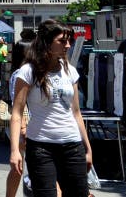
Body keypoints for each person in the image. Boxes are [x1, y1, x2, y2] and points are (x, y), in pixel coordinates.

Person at [10, 20, 92, 197]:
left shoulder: (70, 71)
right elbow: (17, 113)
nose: (68, 45)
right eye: (62, 41)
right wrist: (15, 150)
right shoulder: (28, 71)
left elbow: (76, 112)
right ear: (47, 42)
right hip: (41, 147)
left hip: (72, 145)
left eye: (69, 41)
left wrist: (87, 148)